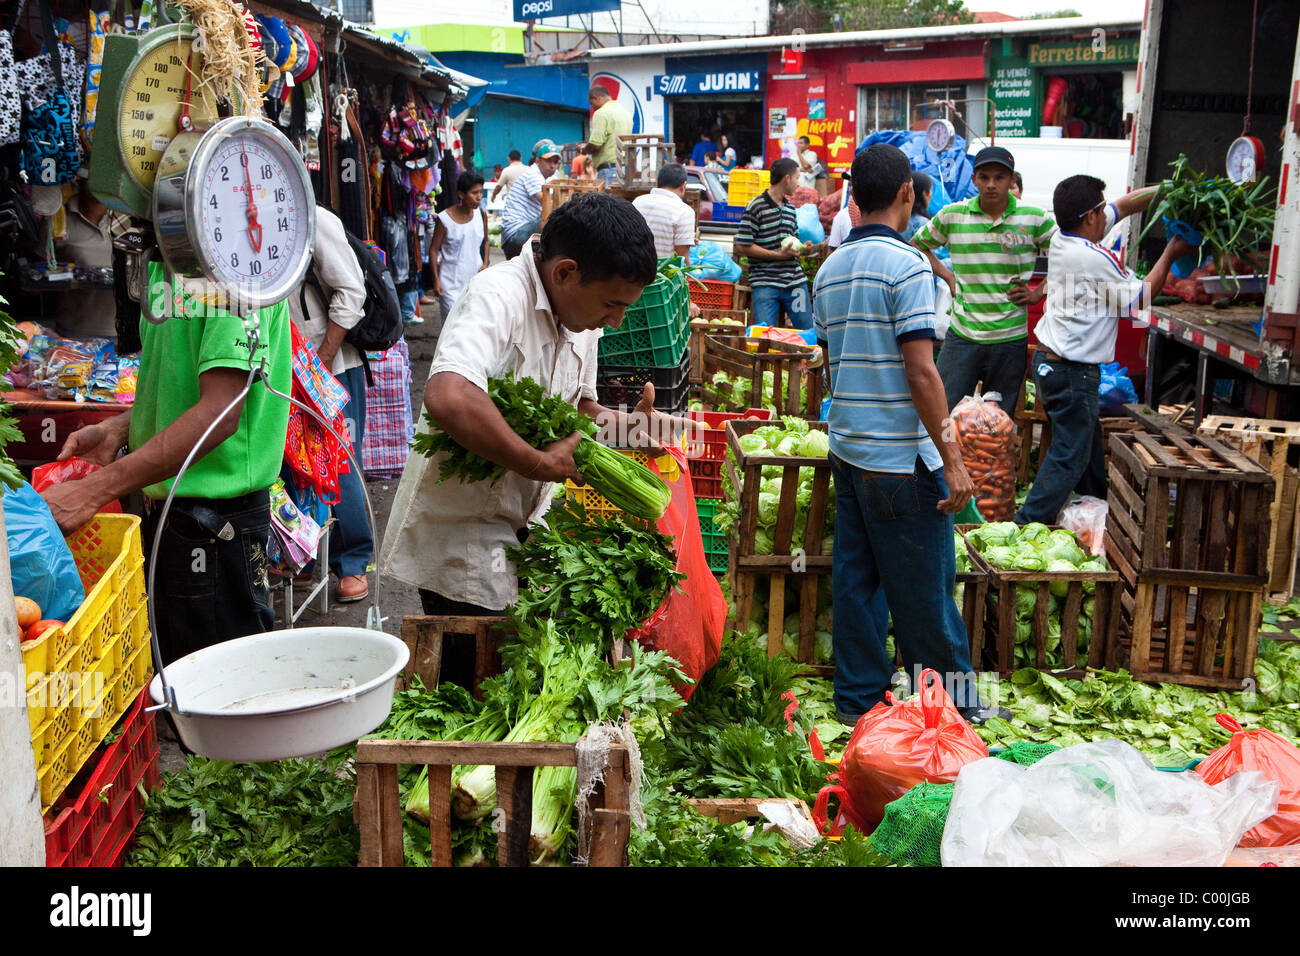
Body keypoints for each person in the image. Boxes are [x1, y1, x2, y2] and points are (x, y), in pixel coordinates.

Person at [380, 194, 686, 678]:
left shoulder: (578, 315)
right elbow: (450, 395)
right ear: (565, 272)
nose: (616, 321)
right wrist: (536, 463)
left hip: (524, 529)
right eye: (611, 304)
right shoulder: (497, 296)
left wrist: (627, 426)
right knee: (468, 686)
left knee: (509, 676)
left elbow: (577, 408)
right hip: (463, 540)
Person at [813, 143, 1000, 726]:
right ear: (906, 196)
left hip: (848, 450)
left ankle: (857, 705)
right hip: (900, 460)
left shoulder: (827, 270)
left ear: (852, 197)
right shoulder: (908, 267)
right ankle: (958, 714)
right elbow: (922, 371)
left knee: (857, 582)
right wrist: (954, 458)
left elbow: (830, 360)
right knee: (924, 591)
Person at [39, 262, 291, 665]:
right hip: (171, 514)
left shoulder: (231, 267)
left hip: (215, 526)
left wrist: (93, 491)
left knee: (223, 697)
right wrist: (121, 430)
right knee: (179, 684)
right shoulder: (164, 264)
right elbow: (182, 381)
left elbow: (220, 414)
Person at [1015, 176, 1190, 526]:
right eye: (1100, 208)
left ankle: (1093, 513)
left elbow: (1124, 206)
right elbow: (1141, 299)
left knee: (1086, 447)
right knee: (1069, 455)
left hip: (1052, 365)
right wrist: (1170, 251)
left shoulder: (1064, 236)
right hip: (1071, 372)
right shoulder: (1093, 256)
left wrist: (1169, 189)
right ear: (1090, 217)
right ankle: (1025, 523)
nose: (1104, 213)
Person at [911, 146, 1056, 411]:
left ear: (1012, 179)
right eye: (984, 177)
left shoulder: (1034, 218)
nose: (991, 184)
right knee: (942, 411)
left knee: (998, 424)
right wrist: (948, 277)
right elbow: (917, 245)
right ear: (974, 179)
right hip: (963, 333)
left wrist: (1039, 292)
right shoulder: (953, 215)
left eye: (999, 177)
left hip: (1010, 337)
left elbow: (1068, 254)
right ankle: (943, 456)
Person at [286, 205, 374, 603]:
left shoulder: (313, 216)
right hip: (284, 365)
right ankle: (302, 556)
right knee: (293, 463)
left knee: (340, 461)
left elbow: (351, 290)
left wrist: (323, 356)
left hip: (330, 363)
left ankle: (352, 561)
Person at [734, 157, 815, 331]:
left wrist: (803, 249)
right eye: (796, 178)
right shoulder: (755, 206)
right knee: (765, 338)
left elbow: (792, 243)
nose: (798, 183)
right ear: (786, 178)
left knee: (809, 333)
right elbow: (742, 246)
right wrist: (777, 256)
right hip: (765, 282)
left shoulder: (790, 209)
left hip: (794, 282)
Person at [52, 173, 128, 340]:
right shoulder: (59, 219)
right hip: (73, 330)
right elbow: (39, 267)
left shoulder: (128, 218)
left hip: (125, 331)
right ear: (80, 179)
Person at [430, 170, 490, 321]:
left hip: (475, 281)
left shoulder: (481, 214)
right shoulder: (444, 219)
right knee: (452, 326)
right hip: (450, 284)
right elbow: (433, 250)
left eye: (481, 192)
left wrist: (485, 263)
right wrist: (436, 280)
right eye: (474, 192)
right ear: (461, 194)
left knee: (473, 325)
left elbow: (486, 241)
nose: (479, 197)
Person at [499, 140, 562, 260]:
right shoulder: (533, 174)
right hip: (516, 233)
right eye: (548, 161)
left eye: (555, 162)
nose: (553, 165)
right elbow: (546, 202)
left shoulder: (544, 176)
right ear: (538, 161)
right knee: (554, 217)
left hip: (520, 232)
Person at [632, 163, 696, 262]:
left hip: (634, 271)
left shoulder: (637, 202)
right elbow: (682, 259)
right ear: (683, 185)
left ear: (657, 183)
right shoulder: (684, 211)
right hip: (663, 275)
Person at [584, 85, 633, 186]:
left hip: (610, 170)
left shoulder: (601, 114)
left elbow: (596, 144)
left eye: (591, 103)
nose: (592, 107)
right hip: (626, 168)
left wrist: (585, 149)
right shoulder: (625, 113)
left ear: (596, 97)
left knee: (607, 201)